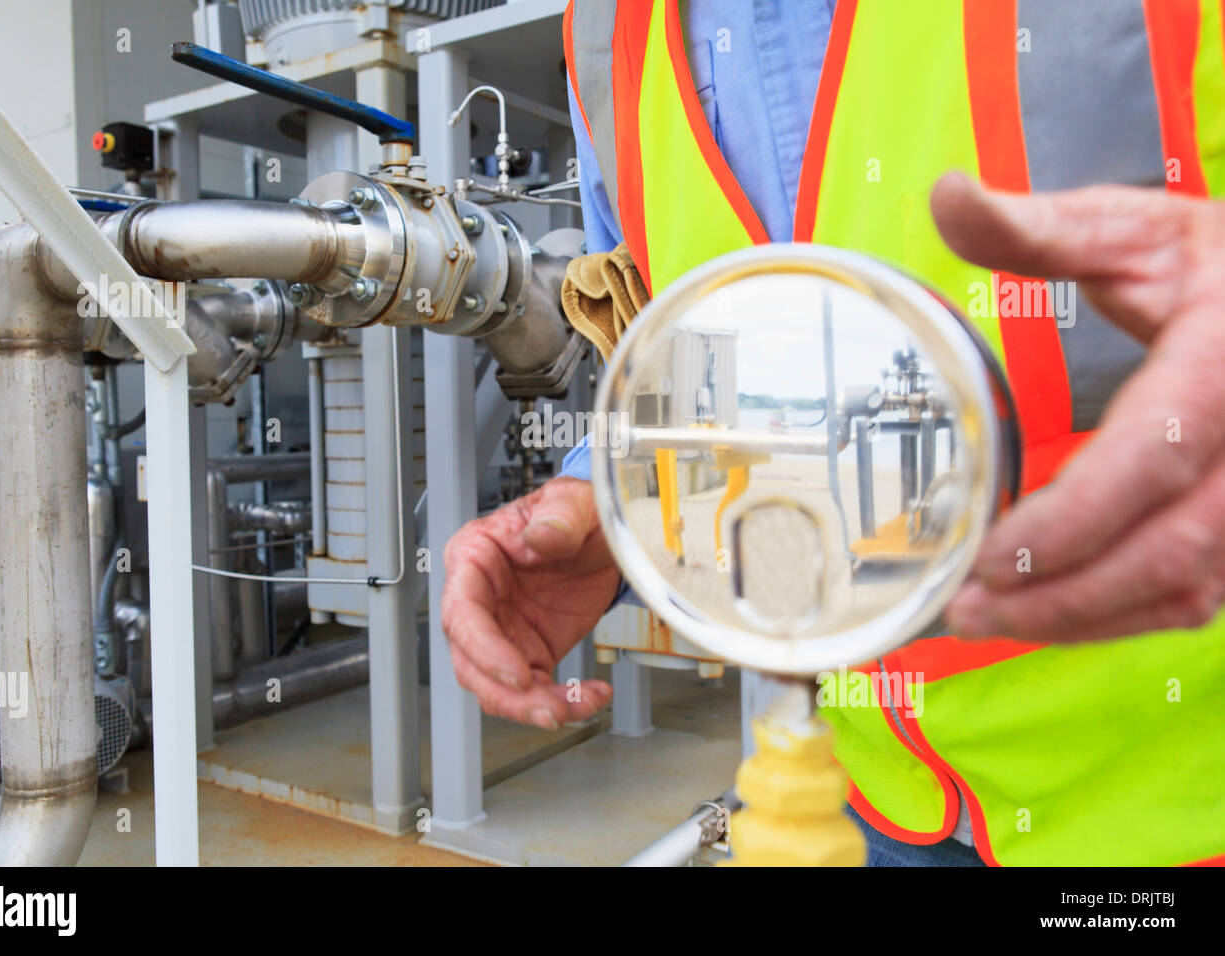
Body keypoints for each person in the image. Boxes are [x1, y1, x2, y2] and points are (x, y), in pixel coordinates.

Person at [442, 0, 1225, 865]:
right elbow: (682, 341)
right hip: (875, 792)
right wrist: (615, 497)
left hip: (1174, 807)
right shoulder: (609, 33)